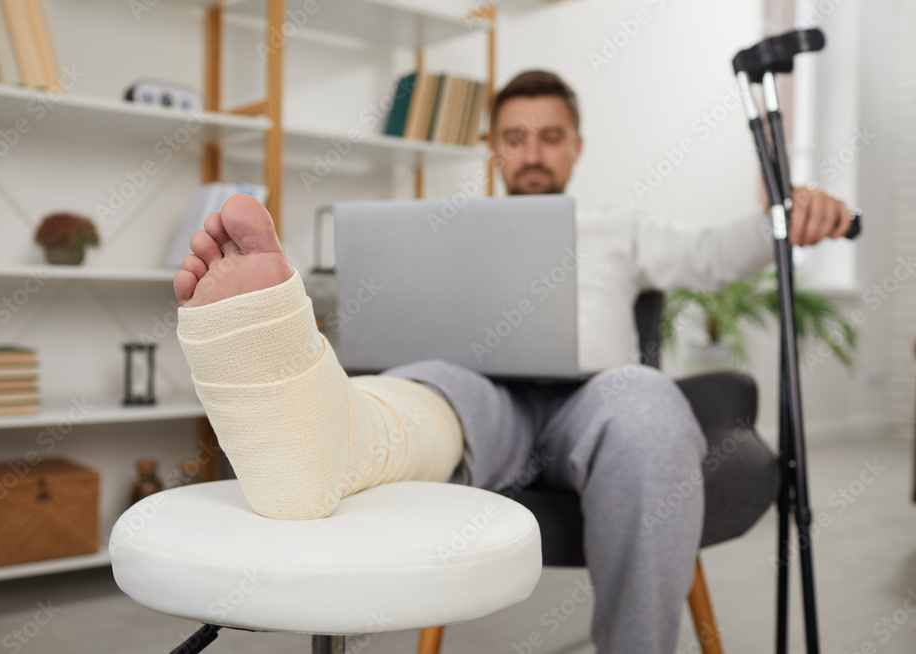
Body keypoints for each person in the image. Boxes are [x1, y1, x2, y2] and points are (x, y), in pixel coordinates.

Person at [172, 70, 854, 654]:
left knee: (645, 402)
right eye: (517, 137)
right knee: (422, 387)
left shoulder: (617, 224)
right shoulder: (444, 230)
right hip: (480, 400)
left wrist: (778, 218)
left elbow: (712, 254)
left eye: (551, 137)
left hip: (595, 406)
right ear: (495, 147)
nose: (534, 153)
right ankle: (328, 438)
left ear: (576, 147)